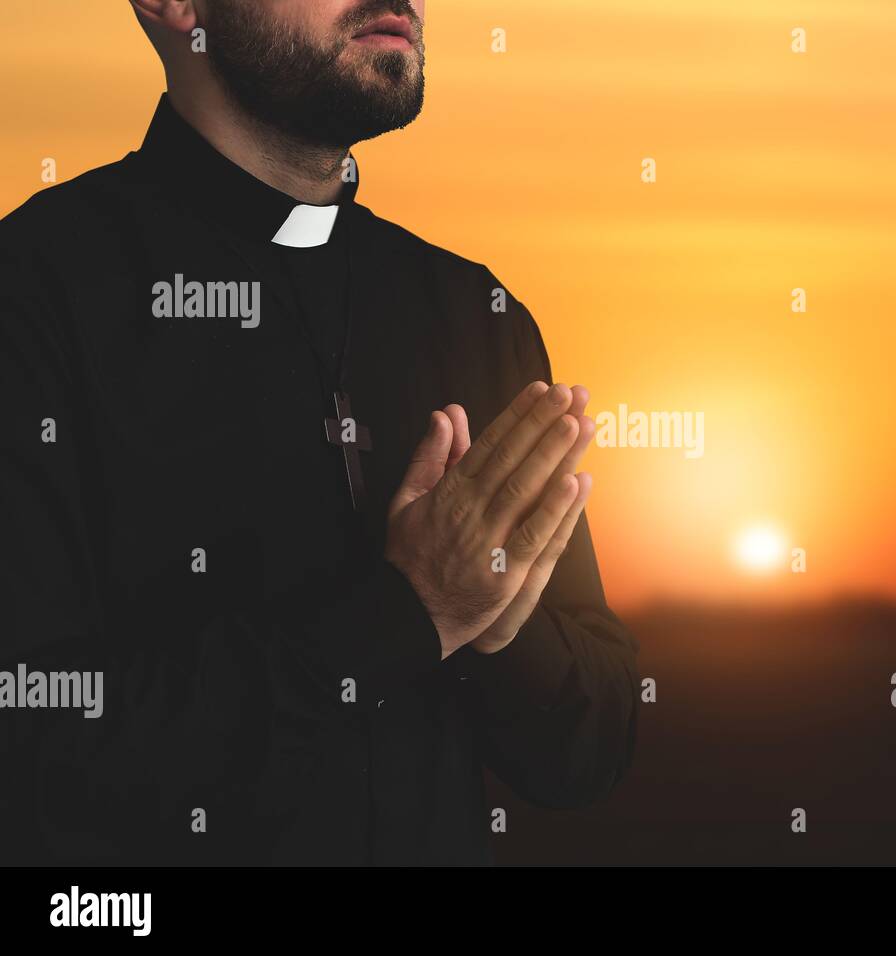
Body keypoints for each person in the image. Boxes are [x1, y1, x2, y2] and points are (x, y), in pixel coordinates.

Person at [0, 0, 639, 865]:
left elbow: (588, 754)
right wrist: (408, 613)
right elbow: (37, 756)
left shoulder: (473, 311)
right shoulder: (35, 295)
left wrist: (495, 625)